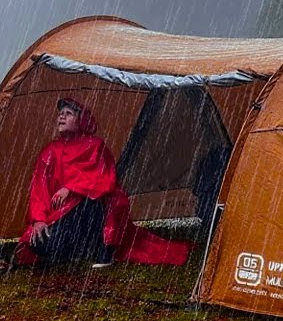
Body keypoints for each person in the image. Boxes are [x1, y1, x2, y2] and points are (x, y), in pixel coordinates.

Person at [13, 97, 193, 268]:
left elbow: (104, 179)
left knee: (94, 201)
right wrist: (39, 220)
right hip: (61, 215)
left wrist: (71, 188)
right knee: (38, 243)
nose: (61, 116)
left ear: (81, 120)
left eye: (68, 113)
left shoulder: (95, 145)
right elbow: (39, 189)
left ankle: (103, 251)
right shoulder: (49, 152)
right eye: (60, 113)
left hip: (90, 208)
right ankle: (77, 249)